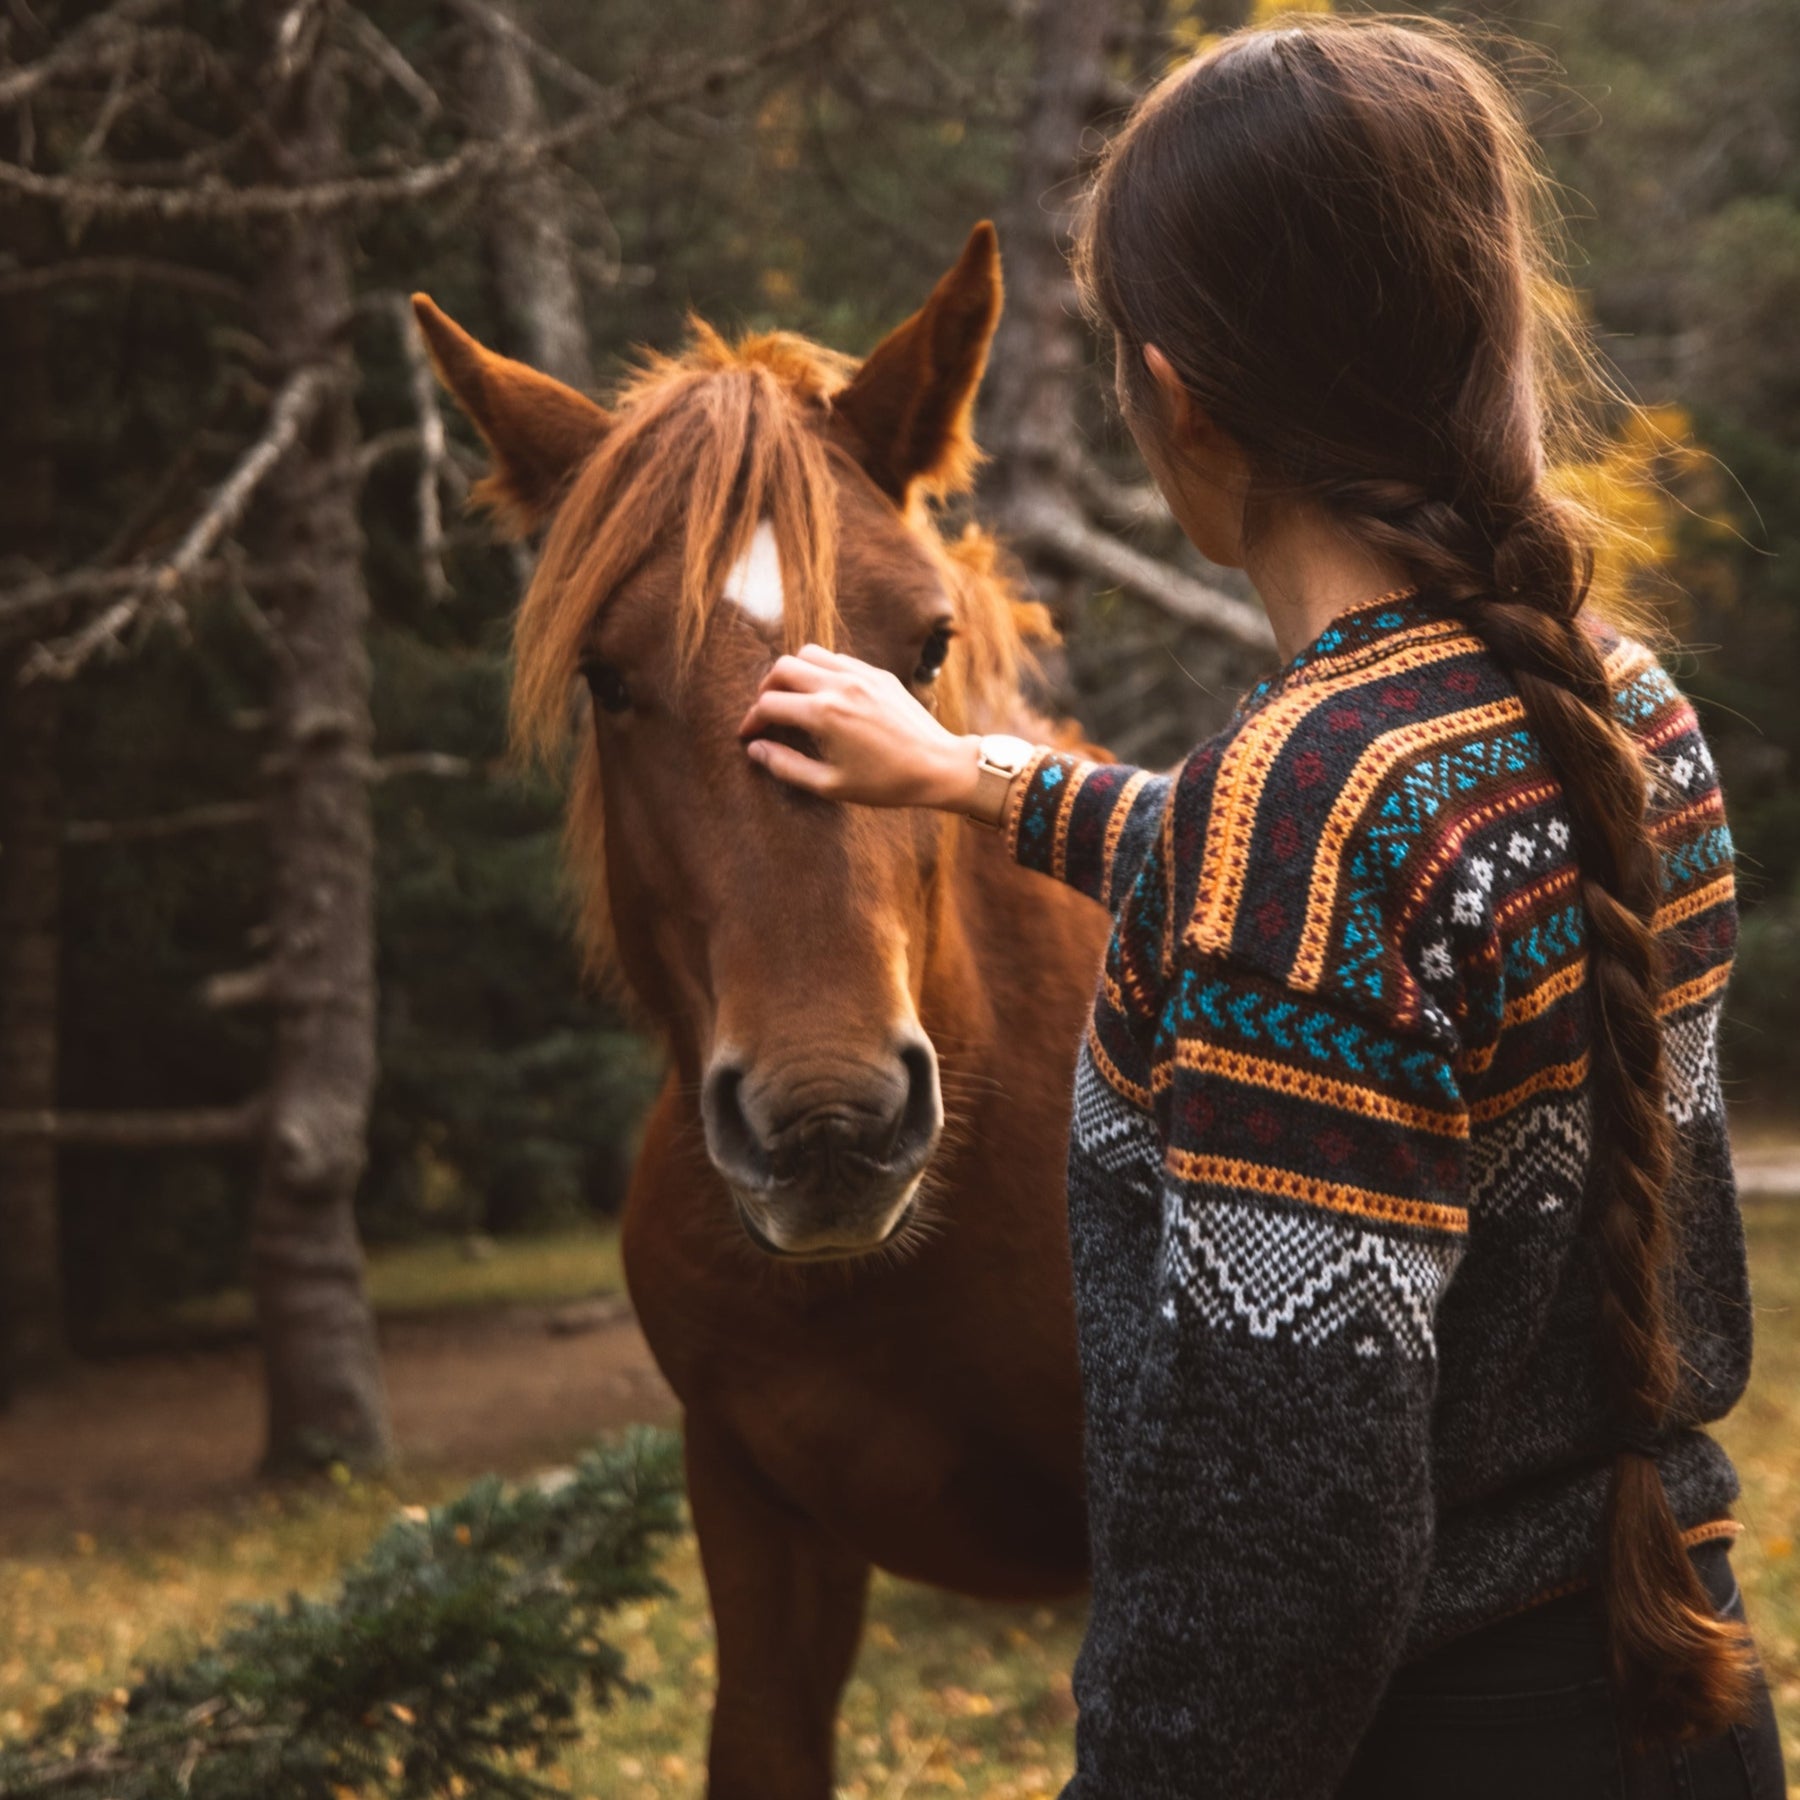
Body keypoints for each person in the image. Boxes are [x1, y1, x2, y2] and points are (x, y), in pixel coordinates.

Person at [737, 14, 1787, 1799]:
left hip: (1422, 1742)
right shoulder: (1624, 709)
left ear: (1179, 396)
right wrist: (971, 772)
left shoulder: (1308, 817)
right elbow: (1392, 925)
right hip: (1677, 1687)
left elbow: (1290, 1556)